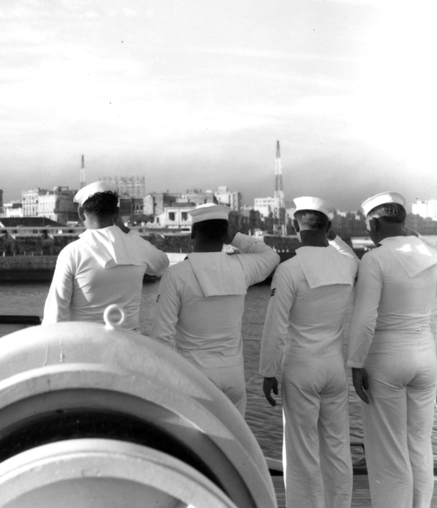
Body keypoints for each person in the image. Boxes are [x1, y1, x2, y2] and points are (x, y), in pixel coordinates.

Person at [259, 197, 358, 508]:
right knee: (337, 449)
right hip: (334, 368)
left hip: (300, 367)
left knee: (301, 454)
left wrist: (268, 371)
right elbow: (347, 252)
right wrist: (333, 235)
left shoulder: (288, 270)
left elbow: (275, 327)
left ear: (293, 226)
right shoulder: (348, 264)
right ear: (328, 227)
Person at [347, 191, 437, 508]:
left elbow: (365, 318)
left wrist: (356, 363)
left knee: (388, 449)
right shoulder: (430, 253)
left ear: (373, 222)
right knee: (419, 443)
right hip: (426, 355)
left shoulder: (375, 259)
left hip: (386, 358)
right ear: (404, 221)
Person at [151, 203, 280, 414]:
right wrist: (235, 237)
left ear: (193, 232)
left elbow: (161, 339)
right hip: (234, 377)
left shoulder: (176, 275)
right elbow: (270, 256)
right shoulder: (241, 267)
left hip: (194, 377)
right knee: (234, 445)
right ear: (224, 234)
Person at [42, 181, 170, 329]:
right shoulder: (138, 247)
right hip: (131, 345)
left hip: (86, 345)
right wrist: (126, 231)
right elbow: (162, 263)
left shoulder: (72, 253)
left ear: (81, 212)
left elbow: (55, 315)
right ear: (117, 214)